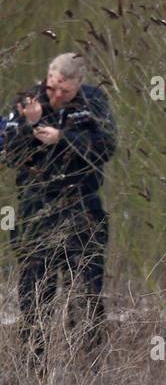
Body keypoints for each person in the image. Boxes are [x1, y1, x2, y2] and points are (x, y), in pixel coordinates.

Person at [1, 53, 116, 367]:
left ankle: (89, 368)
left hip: (82, 204)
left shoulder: (93, 103)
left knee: (87, 290)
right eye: (51, 87)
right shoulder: (27, 102)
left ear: (78, 84)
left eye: (64, 91)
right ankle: (33, 370)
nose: (55, 95)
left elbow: (106, 147)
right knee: (35, 292)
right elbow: (10, 155)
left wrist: (62, 139)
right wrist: (32, 124)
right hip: (37, 205)